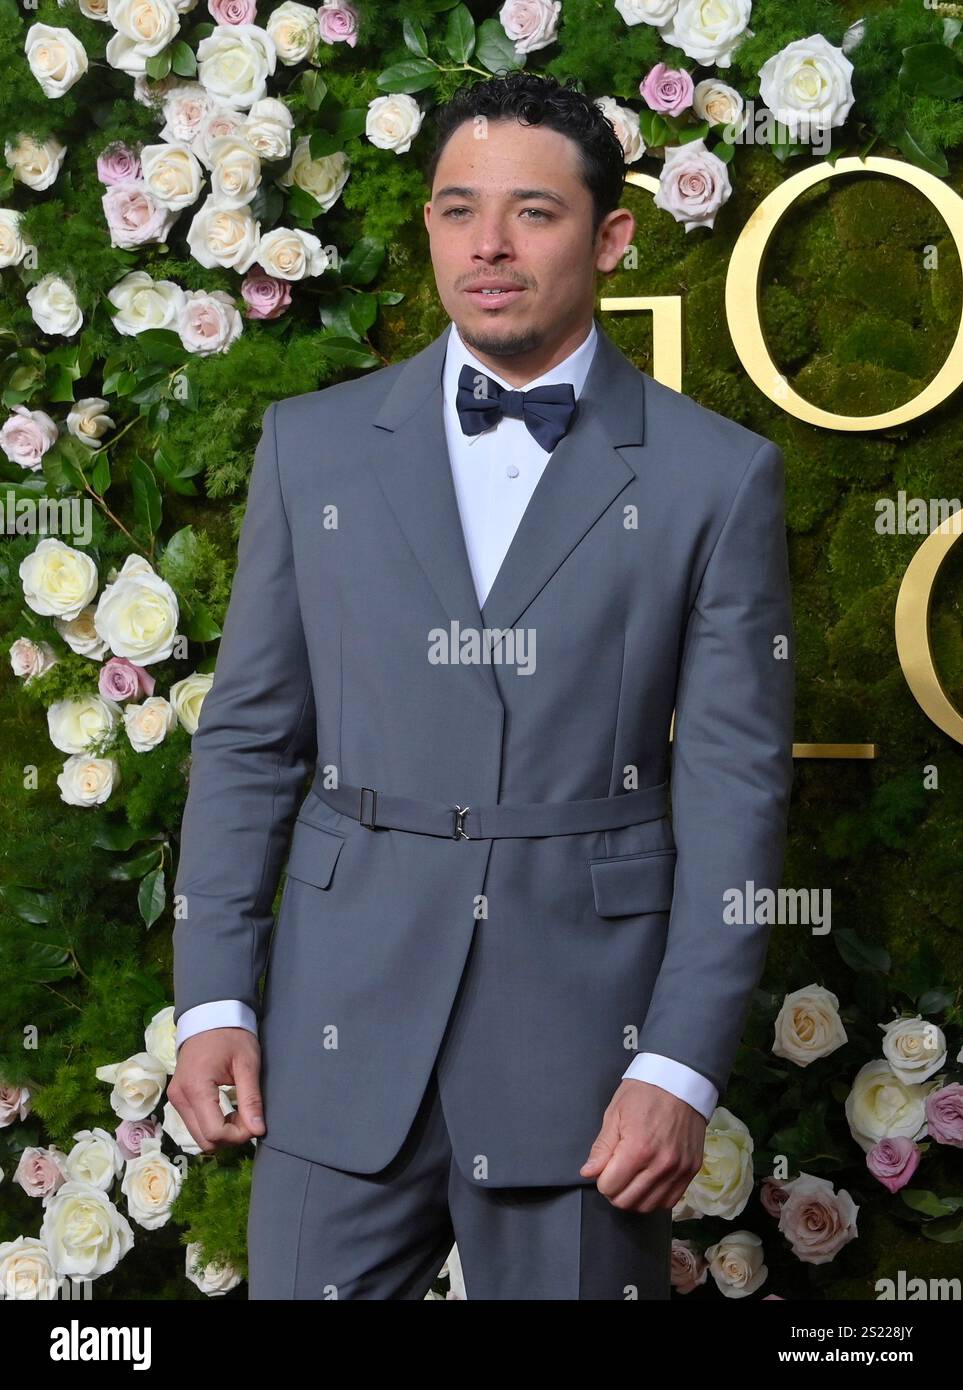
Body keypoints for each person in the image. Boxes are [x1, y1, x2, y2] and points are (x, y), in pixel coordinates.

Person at [168, 72, 795, 1300]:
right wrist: (212, 1000)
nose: (488, 247)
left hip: (587, 1050)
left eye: (534, 213)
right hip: (336, 1028)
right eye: (458, 210)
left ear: (612, 236)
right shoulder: (315, 443)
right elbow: (248, 741)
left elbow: (734, 788)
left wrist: (676, 1065)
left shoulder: (718, 477)